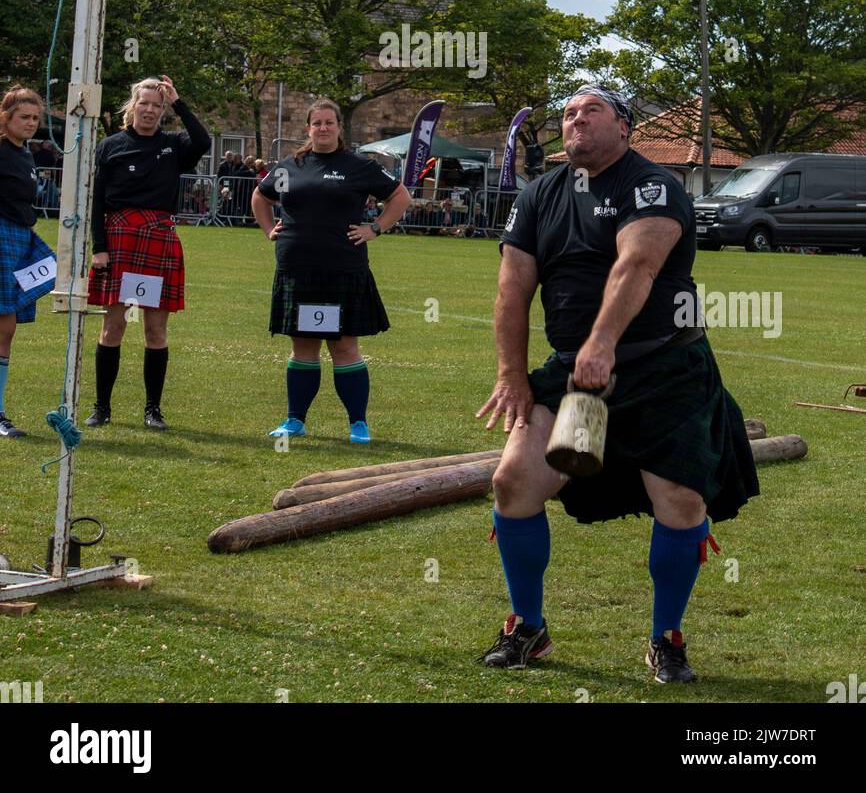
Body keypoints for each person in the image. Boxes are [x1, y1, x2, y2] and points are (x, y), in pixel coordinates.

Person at [476, 85, 759, 682]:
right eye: (568, 114)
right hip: (576, 371)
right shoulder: (539, 194)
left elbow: (639, 264)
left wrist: (602, 343)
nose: (575, 119)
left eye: (591, 110)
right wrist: (511, 375)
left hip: (665, 367)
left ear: (625, 127)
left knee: (680, 501)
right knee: (515, 482)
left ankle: (666, 636)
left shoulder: (653, 184)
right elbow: (512, 288)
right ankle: (527, 625)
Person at [252, 97, 411, 443]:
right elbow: (260, 197)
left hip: (343, 269)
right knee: (303, 349)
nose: (322, 128)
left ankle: (358, 424)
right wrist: (268, 230)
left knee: (344, 348)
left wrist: (376, 228)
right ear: (308, 128)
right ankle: (295, 421)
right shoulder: (291, 166)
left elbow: (400, 197)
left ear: (339, 128)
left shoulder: (358, 165)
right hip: (297, 269)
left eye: (329, 123)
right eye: (317, 123)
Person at [86, 75, 211, 430]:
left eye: (157, 106)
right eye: (145, 104)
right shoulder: (110, 146)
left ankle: (152, 410)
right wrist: (99, 248)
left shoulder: (174, 146)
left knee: (155, 331)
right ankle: (102, 408)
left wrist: (178, 101)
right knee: (113, 328)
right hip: (120, 238)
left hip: (159, 238)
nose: (150, 111)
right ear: (133, 106)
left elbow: (203, 140)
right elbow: (96, 201)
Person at [0, 87, 56, 438]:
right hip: (1, 234)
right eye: (25, 117)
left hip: (21, 236)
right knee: (3, 327)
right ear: (6, 117)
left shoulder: (26, 154)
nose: (32, 123)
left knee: (8, 328)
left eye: (36, 118)